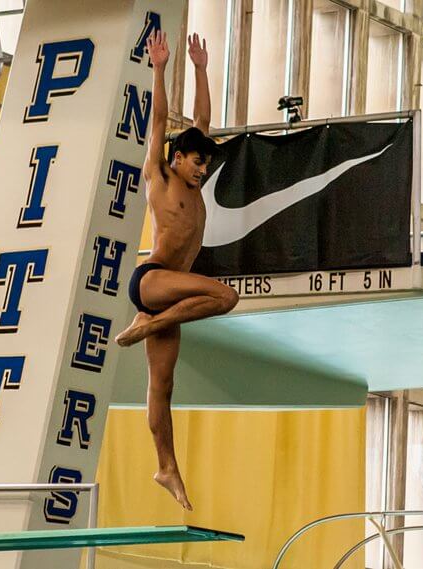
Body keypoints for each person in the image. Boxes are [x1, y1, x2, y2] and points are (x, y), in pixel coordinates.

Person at [115, 31, 238, 511]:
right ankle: (150, 322)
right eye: (194, 163)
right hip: (153, 282)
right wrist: (161, 69)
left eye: (205, 167)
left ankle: (165, 467)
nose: (201, 172)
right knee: (225, 297)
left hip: (166, 302)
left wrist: (203, 69)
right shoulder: (161, 179)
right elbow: (160, 120)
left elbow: (202, 120)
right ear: (175, 158)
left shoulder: (196, 186)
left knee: (162, 388)